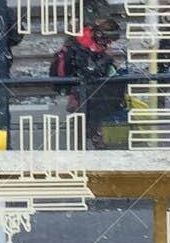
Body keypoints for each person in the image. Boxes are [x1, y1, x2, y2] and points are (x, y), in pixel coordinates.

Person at [52, 15, 127, 147]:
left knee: (92, 104)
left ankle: (90, 137)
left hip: (77, 83)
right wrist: (107, 59)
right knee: (94, 102)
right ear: (100, 35)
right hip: (75, 83)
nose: (109, 44)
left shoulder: (87, 38)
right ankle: (91, 139)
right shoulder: (83, 43)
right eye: (108, 41)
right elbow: (89, 71)